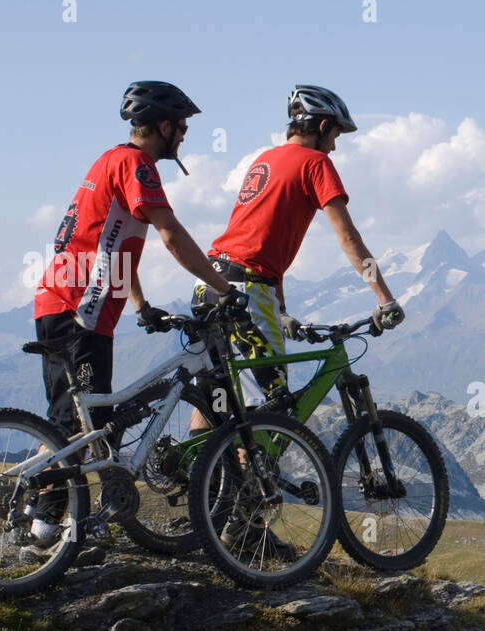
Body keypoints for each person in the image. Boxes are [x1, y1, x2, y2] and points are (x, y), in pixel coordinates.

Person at [28, 80, 243, 547]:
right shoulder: (137, 165)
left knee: (76, 415)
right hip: (80, 309)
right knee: (81, 422)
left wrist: (141, 305)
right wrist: (223, 288)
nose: (184, 135)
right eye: (181, 126)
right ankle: (46, 527)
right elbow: (171, 233)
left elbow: (113, 243)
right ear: (162, 126)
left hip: (64, 300)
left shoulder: (110, 160)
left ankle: (47, 520)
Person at [191, 84, 404, 413]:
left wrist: (281, 310)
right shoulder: (316, 163)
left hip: (209, 281)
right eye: (335, 135)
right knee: (271, 411)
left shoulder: (264, 160)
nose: (334, 146)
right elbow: (349, 238)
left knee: (217, 397)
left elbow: (261, 239)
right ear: (322, 126)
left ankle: (195, 449)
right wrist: (385, 298)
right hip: (246, 291)